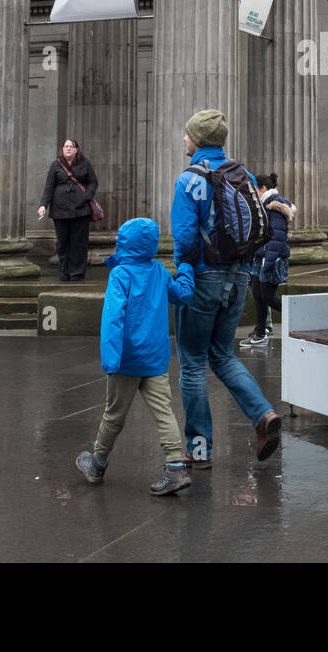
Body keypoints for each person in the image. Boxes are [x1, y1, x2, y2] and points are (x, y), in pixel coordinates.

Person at [172, 109, 281, 466]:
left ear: (197, 140)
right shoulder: (244, 174)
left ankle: (199, 450)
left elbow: (185, 238)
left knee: (192, 364)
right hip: (239, 279)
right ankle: (263, 415)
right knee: (222, 355)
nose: (184, 139)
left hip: (204, 280)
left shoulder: (189, 180)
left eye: (187, 134)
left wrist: (184, 275)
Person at [75, 217, 197, 495]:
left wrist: (110, 359)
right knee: (164, 412)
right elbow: (183, 295)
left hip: (126, 360)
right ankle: (175, 468)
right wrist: (187, 266)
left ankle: (97, 465)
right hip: (155, 358)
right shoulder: (159, 271)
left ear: (124, 243)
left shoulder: (120, 275)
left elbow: (113, 319)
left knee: (114, 415)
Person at [242, 172, 294, 347]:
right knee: (258, 295)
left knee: (267, 296)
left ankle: (296, 316)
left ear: (263, 188)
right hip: (261, 258)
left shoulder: (275, 206)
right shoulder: (264, 204)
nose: (254, 193)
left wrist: (269, 262)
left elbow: (277, 238)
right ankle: (260, 332)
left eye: (256, 189)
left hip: (272, 259)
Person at [38, 138, 98, 282]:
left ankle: (77, 273)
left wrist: (86, 196)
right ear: (62, 149)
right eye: (66, 146)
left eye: (71, 146)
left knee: (79, 243)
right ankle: (64, 272)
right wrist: (43, 205)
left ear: (76, 149)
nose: (68, 149)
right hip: (60, 210)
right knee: (63, 243)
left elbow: (93, 182)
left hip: (81, 210)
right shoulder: (55, 165)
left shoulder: (85, 163)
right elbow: (49, 187)